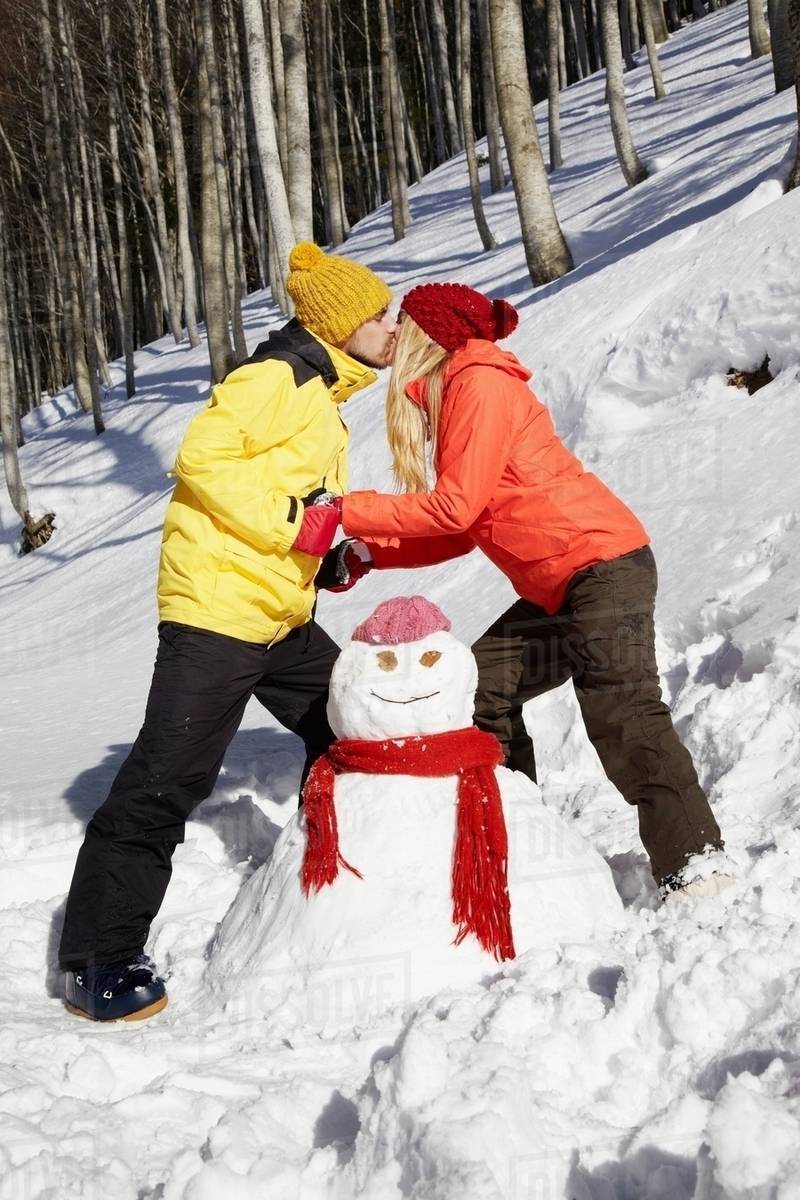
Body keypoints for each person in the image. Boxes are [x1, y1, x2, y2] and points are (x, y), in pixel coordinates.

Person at [58, 242, 397, 1022]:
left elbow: (297, 502)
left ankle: (328, 873)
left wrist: (328, 557)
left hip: (278, 617)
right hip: (217, 616)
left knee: (355, 722)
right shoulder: (277, 377)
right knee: (164, 778)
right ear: (341, 324)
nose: (392, 324)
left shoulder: (323, 395)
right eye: (379, 314)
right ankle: (97, 959)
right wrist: (295, 526)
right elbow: (203, 458)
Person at [334, 282, 726, 898]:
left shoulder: (479, 385)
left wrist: (344, 512)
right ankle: (520, 829)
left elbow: (453, 507)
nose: (393, 337)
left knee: (623, 709)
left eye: (402, 326)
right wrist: (367, 551)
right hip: (560, 586)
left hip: (603, 567)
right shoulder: (458, 390)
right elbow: (463, 527)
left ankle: (698, 862)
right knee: (481, 687)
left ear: (427, 337)